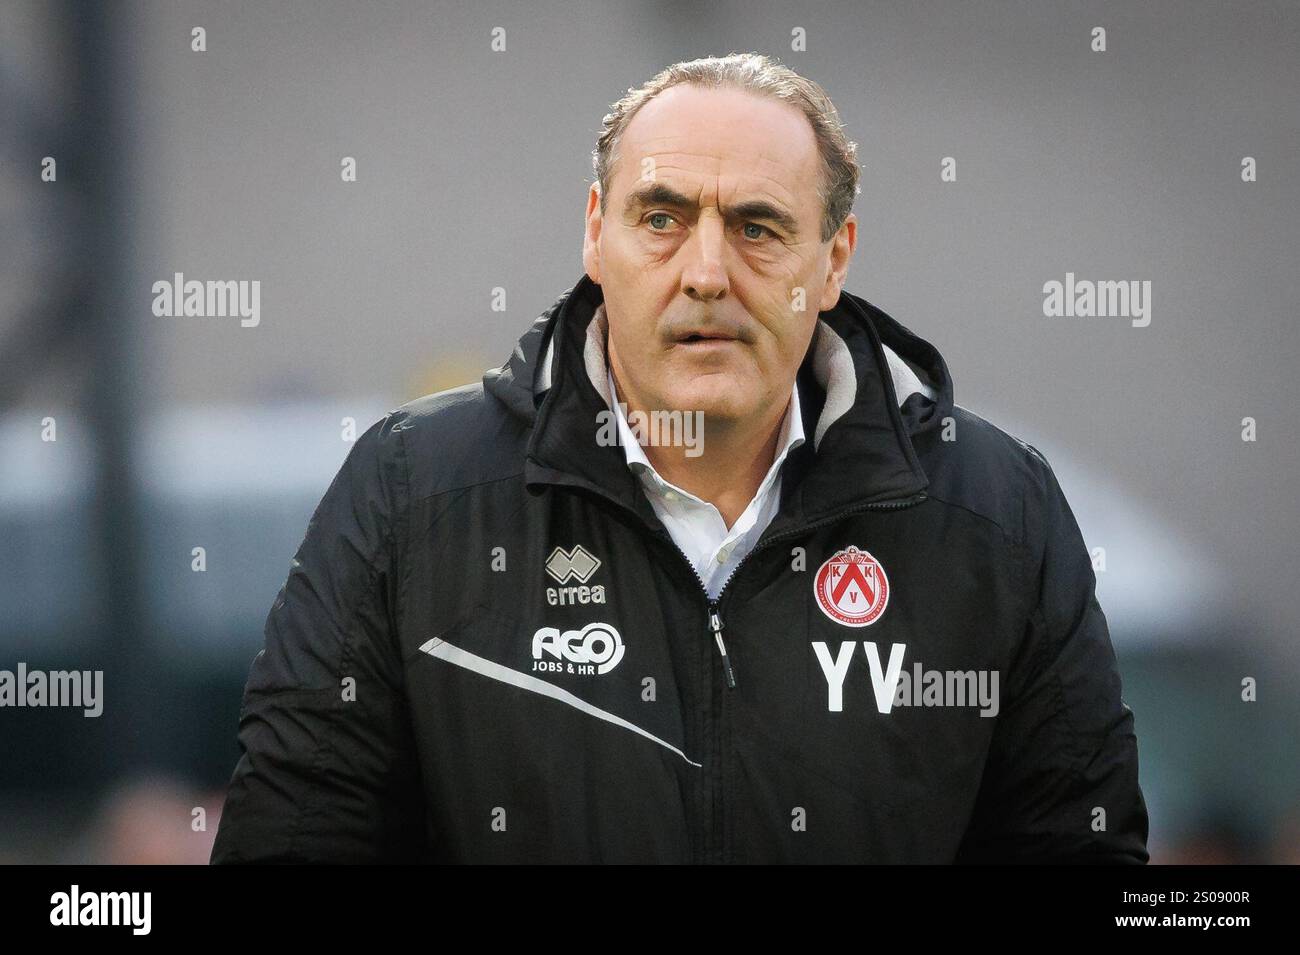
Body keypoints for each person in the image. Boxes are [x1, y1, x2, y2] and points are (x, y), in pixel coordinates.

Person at [211, 52, 1149, 863]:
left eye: (757, 227)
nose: (706, 272)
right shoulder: (413, 492)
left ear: (833, 260)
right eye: (661, 218)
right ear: (595, 233)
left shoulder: (993, 512)